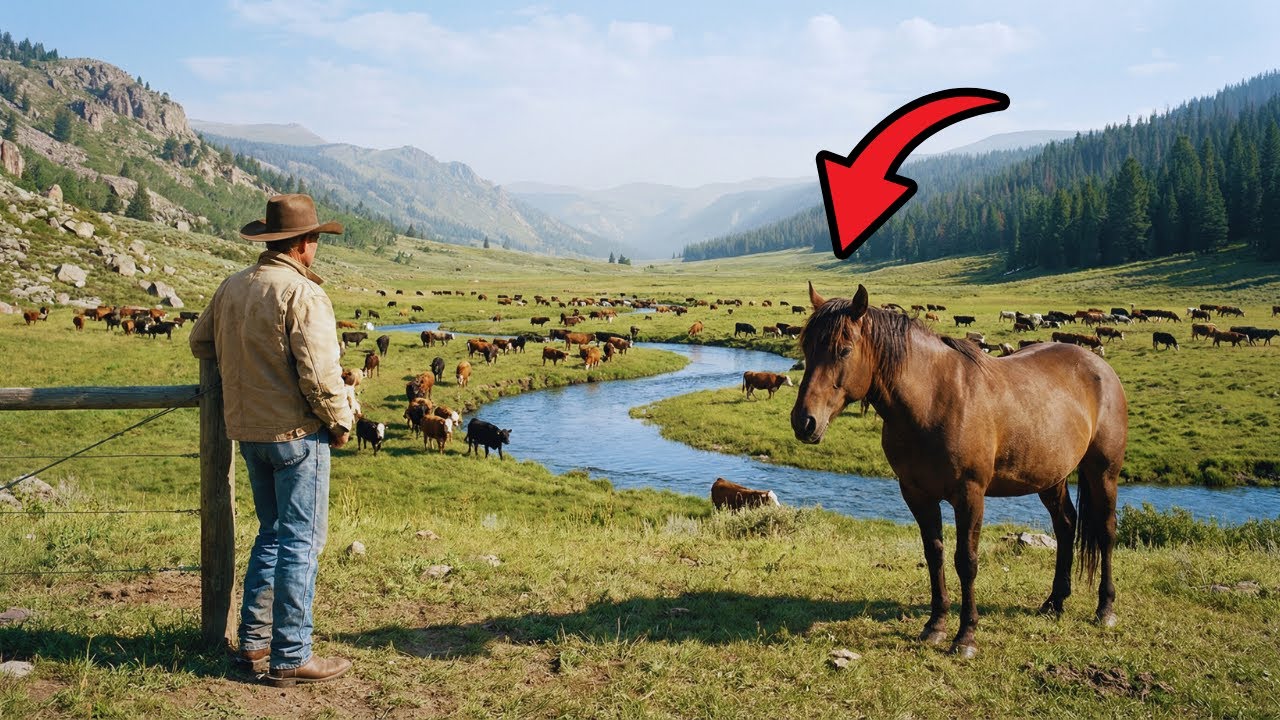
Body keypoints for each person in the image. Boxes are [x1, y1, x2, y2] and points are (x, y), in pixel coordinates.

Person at [189, 194, 354, 687]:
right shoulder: (303, 295)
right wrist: (341, 422)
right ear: (304, 243)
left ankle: (254, 644)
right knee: (302, 541)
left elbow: (199, 342)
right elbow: (321, 375)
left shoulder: (234, 287)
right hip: (297, 433)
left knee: (271, 533)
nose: (317, 247)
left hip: (248, 431)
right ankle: (292, 655)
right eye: (316, 240)